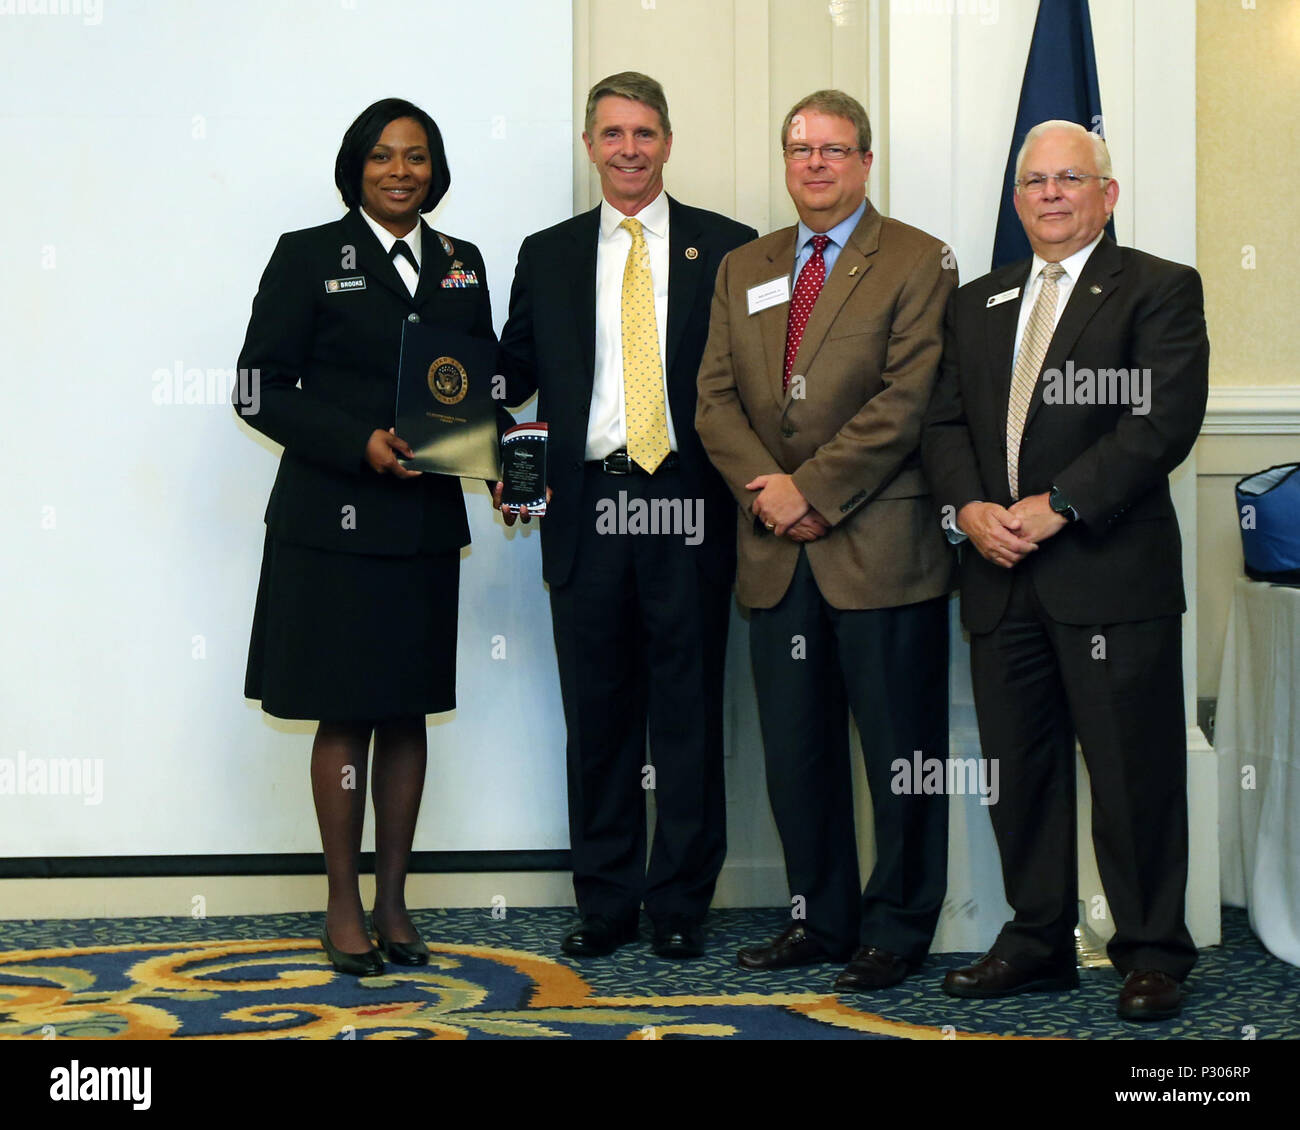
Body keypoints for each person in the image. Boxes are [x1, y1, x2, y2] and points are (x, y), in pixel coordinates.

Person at [921, 120, 1208, 1021]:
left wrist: (1060, 505)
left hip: (1109, 579)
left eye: (1070, 180)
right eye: (1035, 181)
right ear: (1017, 199)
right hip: (998, 577)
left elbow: (1158, 422)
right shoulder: (977, 300)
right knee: (1022, 773)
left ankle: (1153, 950)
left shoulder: (1157, 288)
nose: (1050, 194)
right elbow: (944, 424)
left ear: (1107, 195)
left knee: (1134, 776)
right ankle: (1037, 940)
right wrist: (968, 511)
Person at [695, 90, 956, 990]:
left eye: (834, 150)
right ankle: (819, 919)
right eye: (800, 149)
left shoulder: (920, 260)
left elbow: (907, 400)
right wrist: (774, 498)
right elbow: (714, 400)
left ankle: (898, 928)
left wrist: (813, 488)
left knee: (899, 757)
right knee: (797, 757)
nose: (815, 163)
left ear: (866, 162)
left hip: (880, 549)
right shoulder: (743, 266)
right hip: (776, 551)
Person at [494, 72, 757, 959]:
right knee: (598, 716)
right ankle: (605, 903)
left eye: (645, 133)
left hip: (689, 504)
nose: (630, 149)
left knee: (687, 713)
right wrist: (488, 450)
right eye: (612, 134)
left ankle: (681, 905)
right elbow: (508, 376)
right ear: (590, 146)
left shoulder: (730, 248)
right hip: (588, 503)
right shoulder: (548, 253)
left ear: (669, 142)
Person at [233, 98, 495, 977]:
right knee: (344, 711)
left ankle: (393, 902)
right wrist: (358, 444)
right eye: (382, 156)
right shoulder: (308, 255)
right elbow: (258, 389)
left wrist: (500, 460)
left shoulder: (462, 265)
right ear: (356, 166)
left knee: (408, 707)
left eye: (416, 157)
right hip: (331, 525)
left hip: (422, 525)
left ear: (436, 170)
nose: (400, 171)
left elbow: (478, 387)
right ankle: (343, 906)